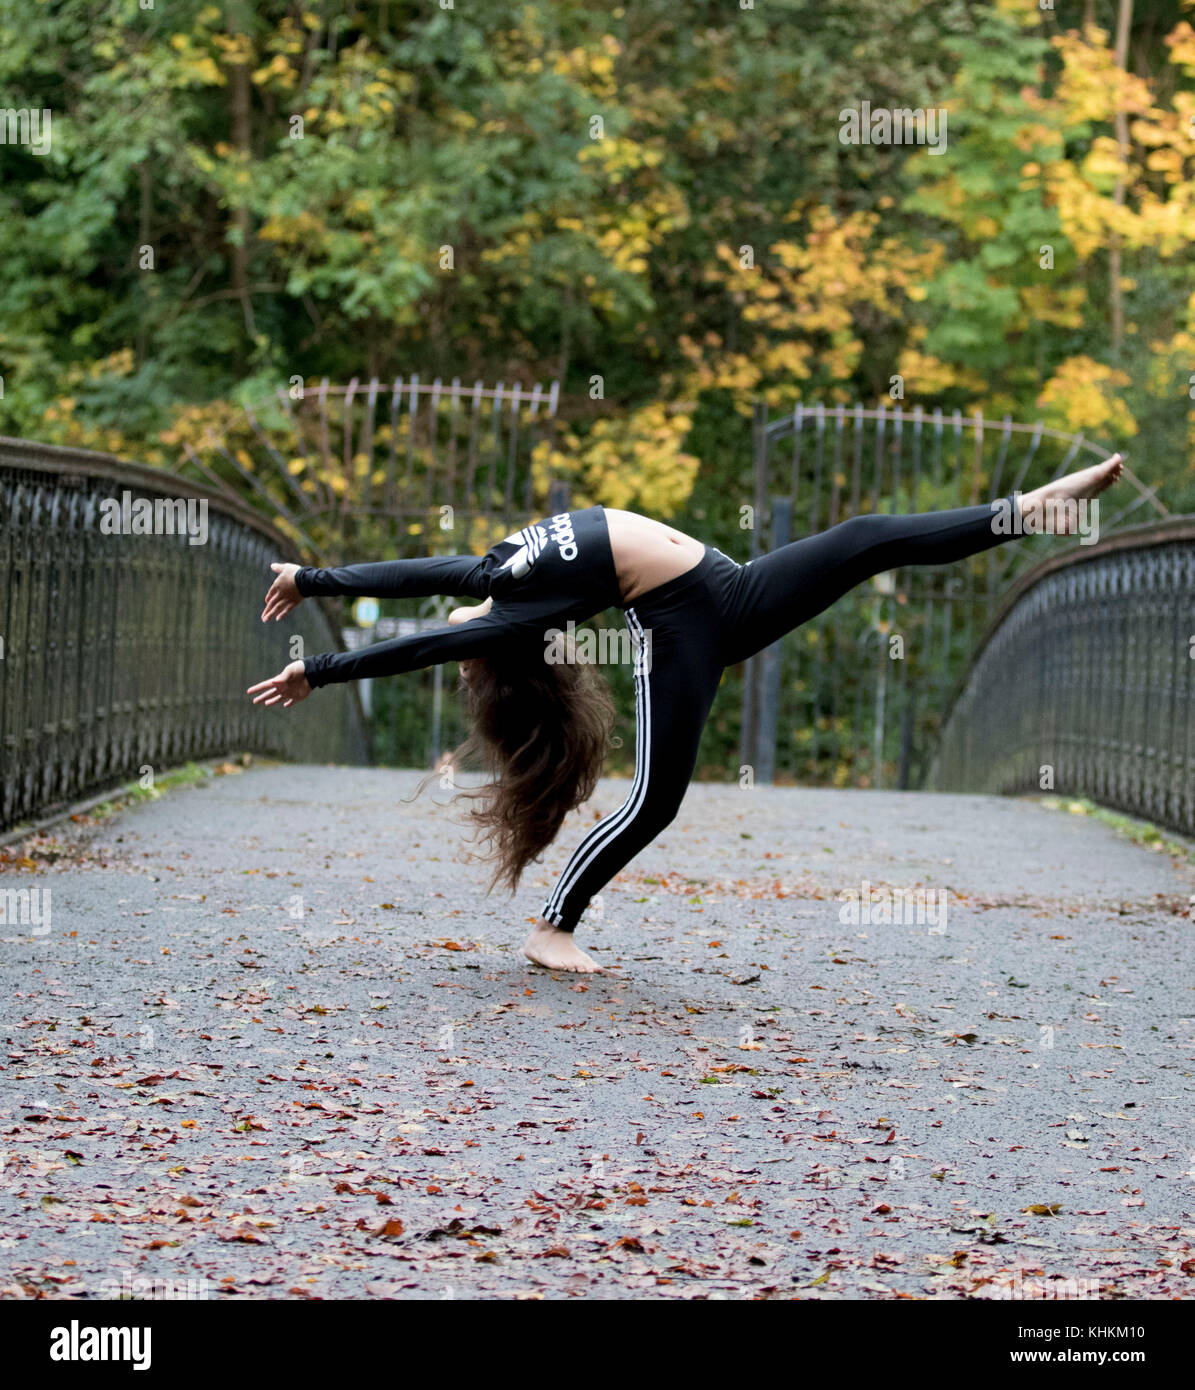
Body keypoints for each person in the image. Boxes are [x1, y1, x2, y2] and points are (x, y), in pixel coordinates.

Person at [249, 453, 1124, 972]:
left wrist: (311, 577)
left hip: (729, 591)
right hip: (681, 629)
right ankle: (554, 927)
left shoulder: (491, 571)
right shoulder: (513, 612)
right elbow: (414, 645)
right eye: (461, 632)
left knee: (863, 537)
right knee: (656, 801)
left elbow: (416, 571)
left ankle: (1032, 509)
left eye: (458, 614)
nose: (454, 617)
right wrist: (319, 671)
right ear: (487, 643)